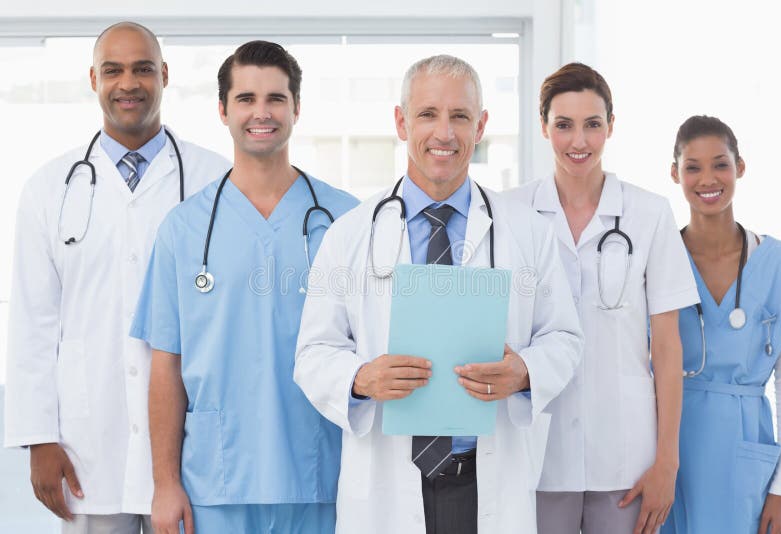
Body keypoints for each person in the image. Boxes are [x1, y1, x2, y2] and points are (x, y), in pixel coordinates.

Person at [293, 54, 583, 534]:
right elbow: (312, 353)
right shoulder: (349, 234)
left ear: (482, 125)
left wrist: (525, 371)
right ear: (401, 122)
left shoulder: (527, 233)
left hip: (488, 479)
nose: (444, 133)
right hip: (387, 484)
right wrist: (360, 378)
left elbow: (565, 338)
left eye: (460, 116)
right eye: (428, 114)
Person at [3, 21, 229, 534]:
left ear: (165, 76)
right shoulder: (47, 189)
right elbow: (34, 324)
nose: (129, 83)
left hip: (191, 445)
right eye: (114, 70)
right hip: (89, 445)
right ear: (93, 79)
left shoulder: (214, 180)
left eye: (143, 69)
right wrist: (39, 438)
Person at [129, 40, 358, 534]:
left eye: (276, 98)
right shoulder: (184, 229)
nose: (262, 112)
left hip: (323, 477)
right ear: (222, 110)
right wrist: (165, 483)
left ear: (297, 108)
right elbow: (166, 364)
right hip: (216, 483)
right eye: (246, 99)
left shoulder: (347, 220)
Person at [506, 63, 699, 534]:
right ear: (543, 126)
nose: (579, 141)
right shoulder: (510, 212)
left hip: (626, 458)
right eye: (564, 125)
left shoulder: (649, 213)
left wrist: (666, 463)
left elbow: (668, 348)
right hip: (536, 455)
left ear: (611, 125)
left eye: (593, 124)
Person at [662, 115, 781, 534]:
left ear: (740, 167)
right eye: (693, 166)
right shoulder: (660, 258)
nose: (708, 179)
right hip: (667, 447)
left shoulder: (780, 264)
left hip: (743, 451)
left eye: (720, 164)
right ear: (675, 174)